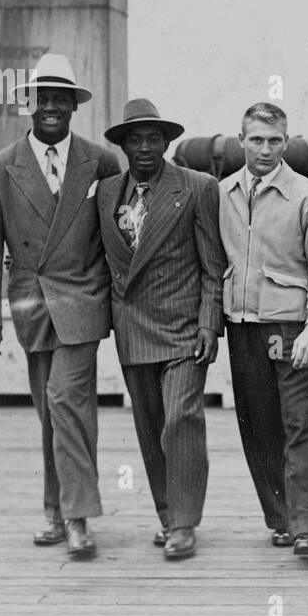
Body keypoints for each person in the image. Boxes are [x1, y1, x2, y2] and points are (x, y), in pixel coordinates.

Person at [0, 52, 120, 558]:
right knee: (51, 411)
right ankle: (55, 510)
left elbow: (117, 237)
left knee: (65, 401)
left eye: (62, 98)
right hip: (32, 307)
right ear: (29, 105)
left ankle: (77, 518)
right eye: (42, 98)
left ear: (75, 107)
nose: (51, 107)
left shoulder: (101, 161)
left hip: (82, 302)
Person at [98, 99, 226, 561]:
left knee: (181, 420)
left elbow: (214, 266)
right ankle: (168, 516)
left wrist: (210, 323)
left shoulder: (197, 187)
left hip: (184, 330)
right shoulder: (107, 193)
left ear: (168, 142)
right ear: (124, 145)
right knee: (150, 430)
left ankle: (184, 524)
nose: (146, 147)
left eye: (154, 138)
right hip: (132, 329)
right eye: (136, 139)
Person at [219, 102, 308, 556]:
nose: (265, 149)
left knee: (300, 423)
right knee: (258, 424)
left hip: (291, 328)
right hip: (243, 328)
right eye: (257, 140)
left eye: (274, 141)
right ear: (242, 141)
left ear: (286, 142)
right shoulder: (224, 192)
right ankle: (281, 518)